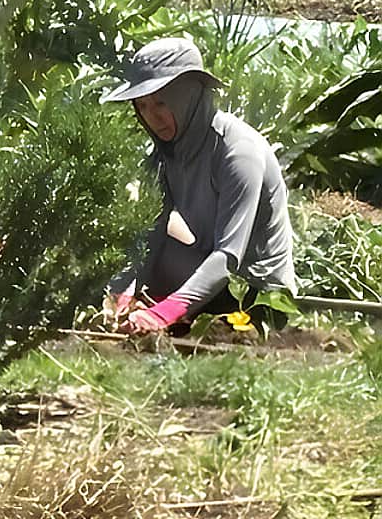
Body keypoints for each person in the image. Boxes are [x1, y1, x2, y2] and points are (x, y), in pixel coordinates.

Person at [100, 37, 298, 335]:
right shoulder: (164, 155)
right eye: (142, 106)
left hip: (252, 292)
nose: (152, 118)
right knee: (133, 252)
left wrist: (163, 313)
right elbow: (151, 233)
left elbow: (230, 256)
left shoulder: (237, 151)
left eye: (161, 103)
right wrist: (119, 294)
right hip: (207, 273)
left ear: (188, 97)